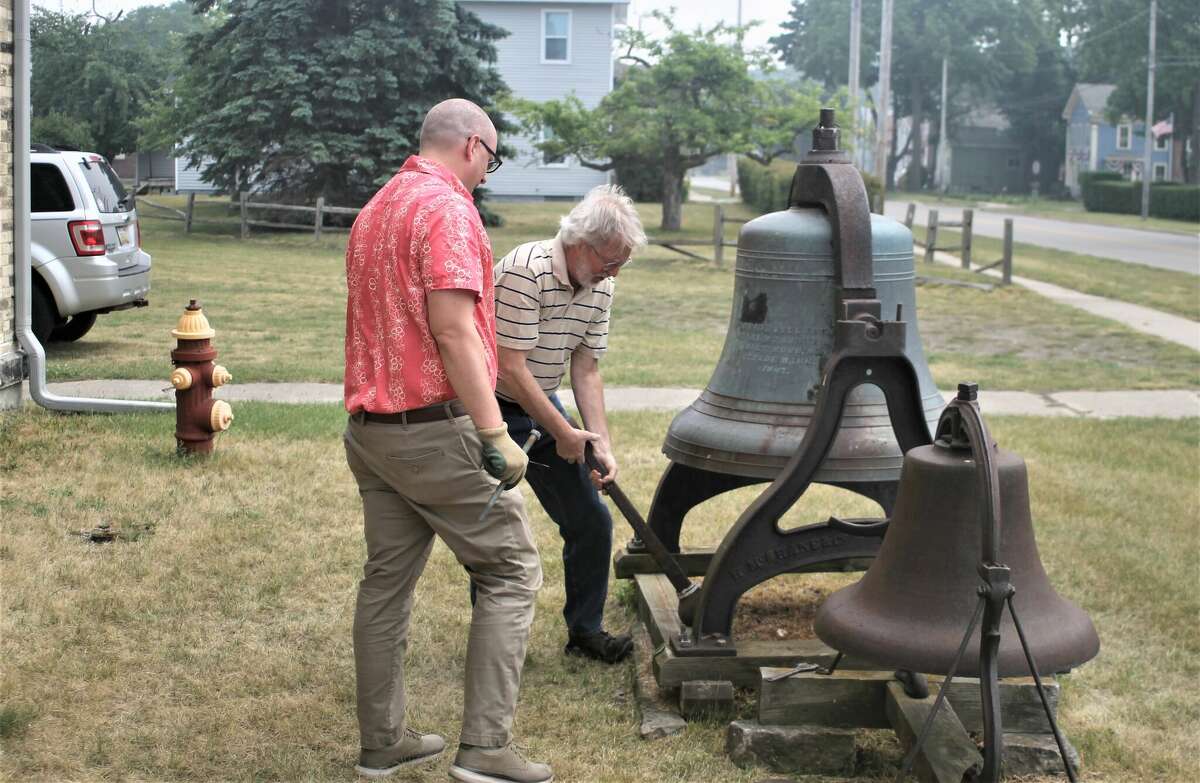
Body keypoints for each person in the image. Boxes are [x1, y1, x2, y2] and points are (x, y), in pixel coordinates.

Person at [343, 98, 553, 783]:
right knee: (511, 569)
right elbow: (454, 327)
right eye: (492, 159)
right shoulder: (448, 208)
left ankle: (383, 742)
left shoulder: (377, 208)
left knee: (385, 583)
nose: (488, 174)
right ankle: (486, 747)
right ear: (471, 144)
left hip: (372, 434)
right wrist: (495, 433)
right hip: (435, 432)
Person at [492, 184, 647, 664]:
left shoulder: (601, 283)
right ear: (580, 243)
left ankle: (585, 631)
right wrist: (561, 432)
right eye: (610, 260)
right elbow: (509, 367)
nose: (615, 272)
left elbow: (586, 368)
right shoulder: (526, 270)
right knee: (495, 532)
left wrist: (599, 443)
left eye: (622, 263)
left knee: (590, 520)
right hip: (488, 408)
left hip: (543, 402)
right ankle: (495, 642)